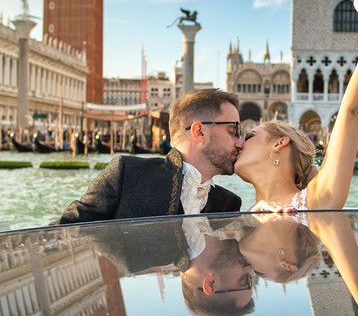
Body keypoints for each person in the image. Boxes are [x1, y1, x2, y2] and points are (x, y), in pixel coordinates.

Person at [234, 0, 358, 211]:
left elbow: (352, 112)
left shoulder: (316, 200)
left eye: (249, 136)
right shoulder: (240, 217)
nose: (239, 143)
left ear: (279, 144)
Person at [57, 88, 244, 223]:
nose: (240, 143)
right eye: (234, 131)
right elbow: (63, 233)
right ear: (199, 132)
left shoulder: (228, 204)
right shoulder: (127, 173)